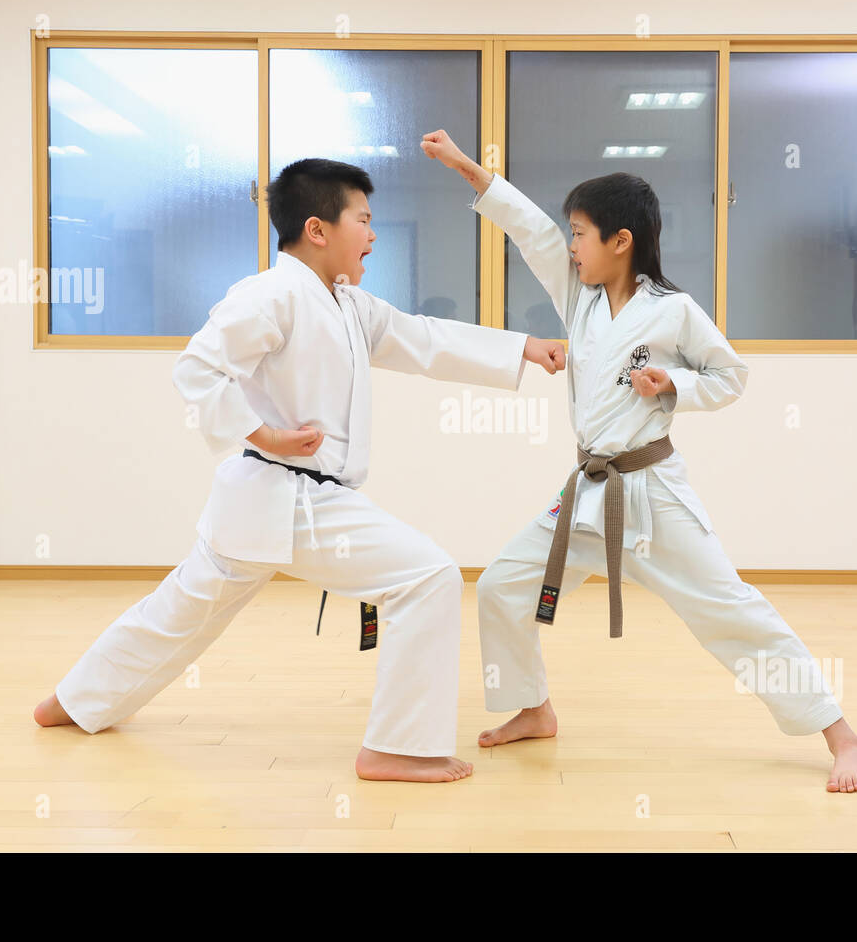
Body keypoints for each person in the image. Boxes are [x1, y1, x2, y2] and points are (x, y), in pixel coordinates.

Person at [34, 157, 566, 784]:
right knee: (429, 576)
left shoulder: (345, 302)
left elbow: (420, 338)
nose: (373, 235)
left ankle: (71, 701)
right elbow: (198, 366)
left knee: (179, 611)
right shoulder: (272, 294)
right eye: (363, 220)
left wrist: (522, 347)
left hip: (266, 505)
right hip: (289, 496)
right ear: (318, 229)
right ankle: (395, 747)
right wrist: (265, 433)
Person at [420, 130, 857, 793]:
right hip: (587, 491)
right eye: (571, 234)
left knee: (731, 612)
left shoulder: (675, 313)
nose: (569, 245)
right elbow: (528, 230)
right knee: (500, 587)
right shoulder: (579, 298)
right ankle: (533, 708)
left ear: (620, 242)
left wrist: (676, 387)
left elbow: (731, 375)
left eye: (581, 234)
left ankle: (842, 734)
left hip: (654, 493)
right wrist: (466, 168)